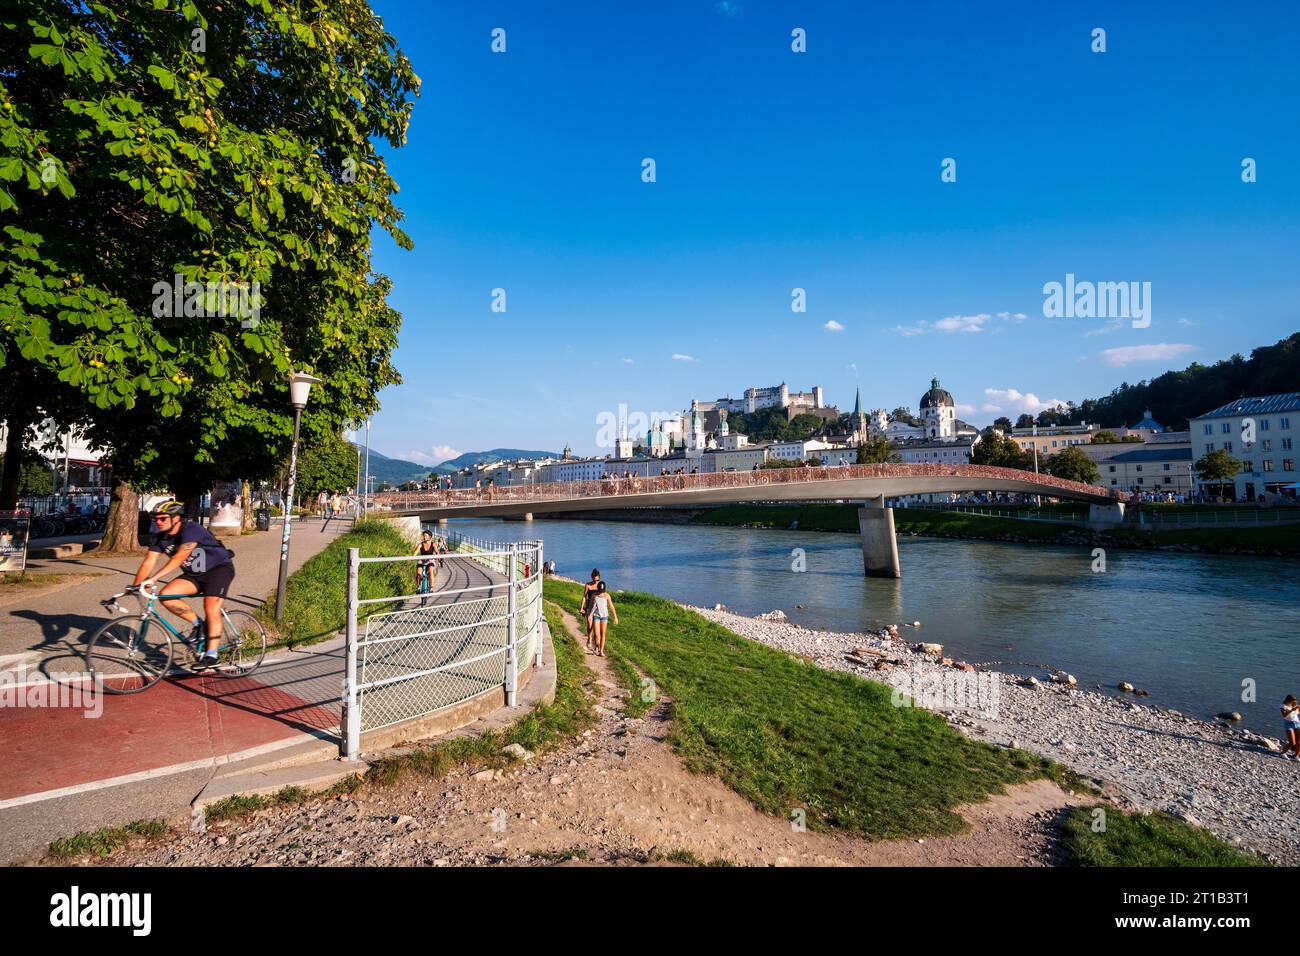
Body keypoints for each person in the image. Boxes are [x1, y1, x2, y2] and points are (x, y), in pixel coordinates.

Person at [131, 500, 236, 669]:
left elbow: (180, 556)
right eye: (156, 519)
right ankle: (198, 625)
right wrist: (136, 585)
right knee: (165, 596)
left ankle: (212, 655)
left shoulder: (191, 529)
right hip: (194, 575)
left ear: (176, 518)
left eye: (163, 518)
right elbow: (149, 562)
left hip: (218, 570)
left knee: (211, 607)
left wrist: (154, 578)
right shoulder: (160, 537)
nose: (158, 522)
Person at [586, 581, 618, 657]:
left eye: (602, 591)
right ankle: (597, 646)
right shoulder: (594, 595)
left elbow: (611, 607)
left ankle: (601, 651)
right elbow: (590, 607)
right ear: (598, 589)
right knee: (597, 634)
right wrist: (589, 616)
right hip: (596, 616)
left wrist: (615, 617)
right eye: (600, 591)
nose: (601, 593)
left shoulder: (607, 596)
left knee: (603, 633)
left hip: (604, 617)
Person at [580, 568, 601, 647]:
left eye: (598, 580)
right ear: (592, 577)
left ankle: (596, 642)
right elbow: (584, 597)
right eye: (595, 580)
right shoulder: (588, 585)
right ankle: (589, 637)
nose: (596, 582)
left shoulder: (600, 585)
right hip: (589, 606)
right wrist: (582, 607)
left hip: (597, 607)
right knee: (589, 624)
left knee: (596, 625)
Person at [415, 530, 437, 595]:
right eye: (423, 536)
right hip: (422, 560)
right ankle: (418, 587)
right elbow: (416, 551)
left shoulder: (433, 544)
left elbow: (437, 552)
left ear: (430, 537)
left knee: (430, 570)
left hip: (430, 560)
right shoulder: (421, 544)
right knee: (418, 573)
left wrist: (437, 556)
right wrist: (413, 556)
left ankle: (431, 588)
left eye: (426, 536)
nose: (424, 537)